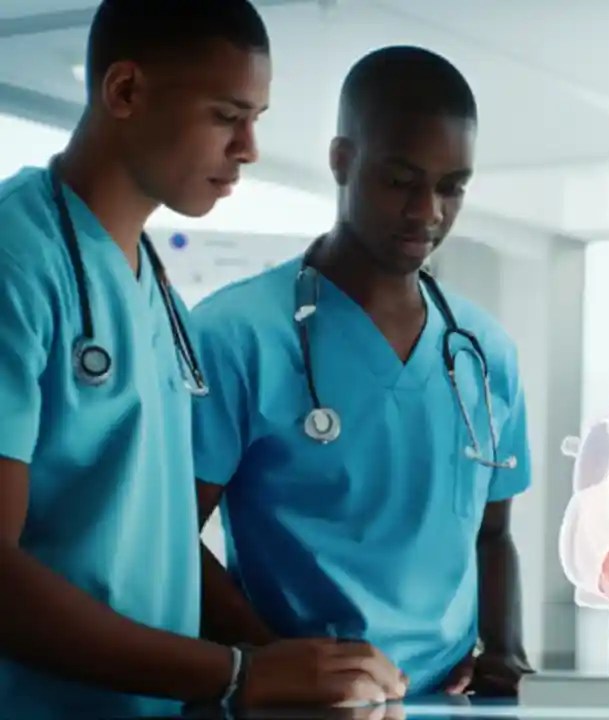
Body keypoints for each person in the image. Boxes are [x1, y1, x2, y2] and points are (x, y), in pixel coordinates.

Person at [0, 1, 404, 716]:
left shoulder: (161, 299)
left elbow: (154, 544)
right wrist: (235, 673)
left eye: (258, 119)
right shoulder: (17, 259)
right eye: (226, 115)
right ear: (124, 91)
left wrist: (280, 663)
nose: (249, 147)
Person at [190, 45, 534, 699]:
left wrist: (506, 653)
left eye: (452, 187)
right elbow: (171, 537)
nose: (428, 211)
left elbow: (494, 535)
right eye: (401, 180)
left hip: (446, 705)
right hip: (301, 706)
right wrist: (272, 660)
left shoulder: (486, 351)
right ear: (343, 161)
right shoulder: (235, 336)